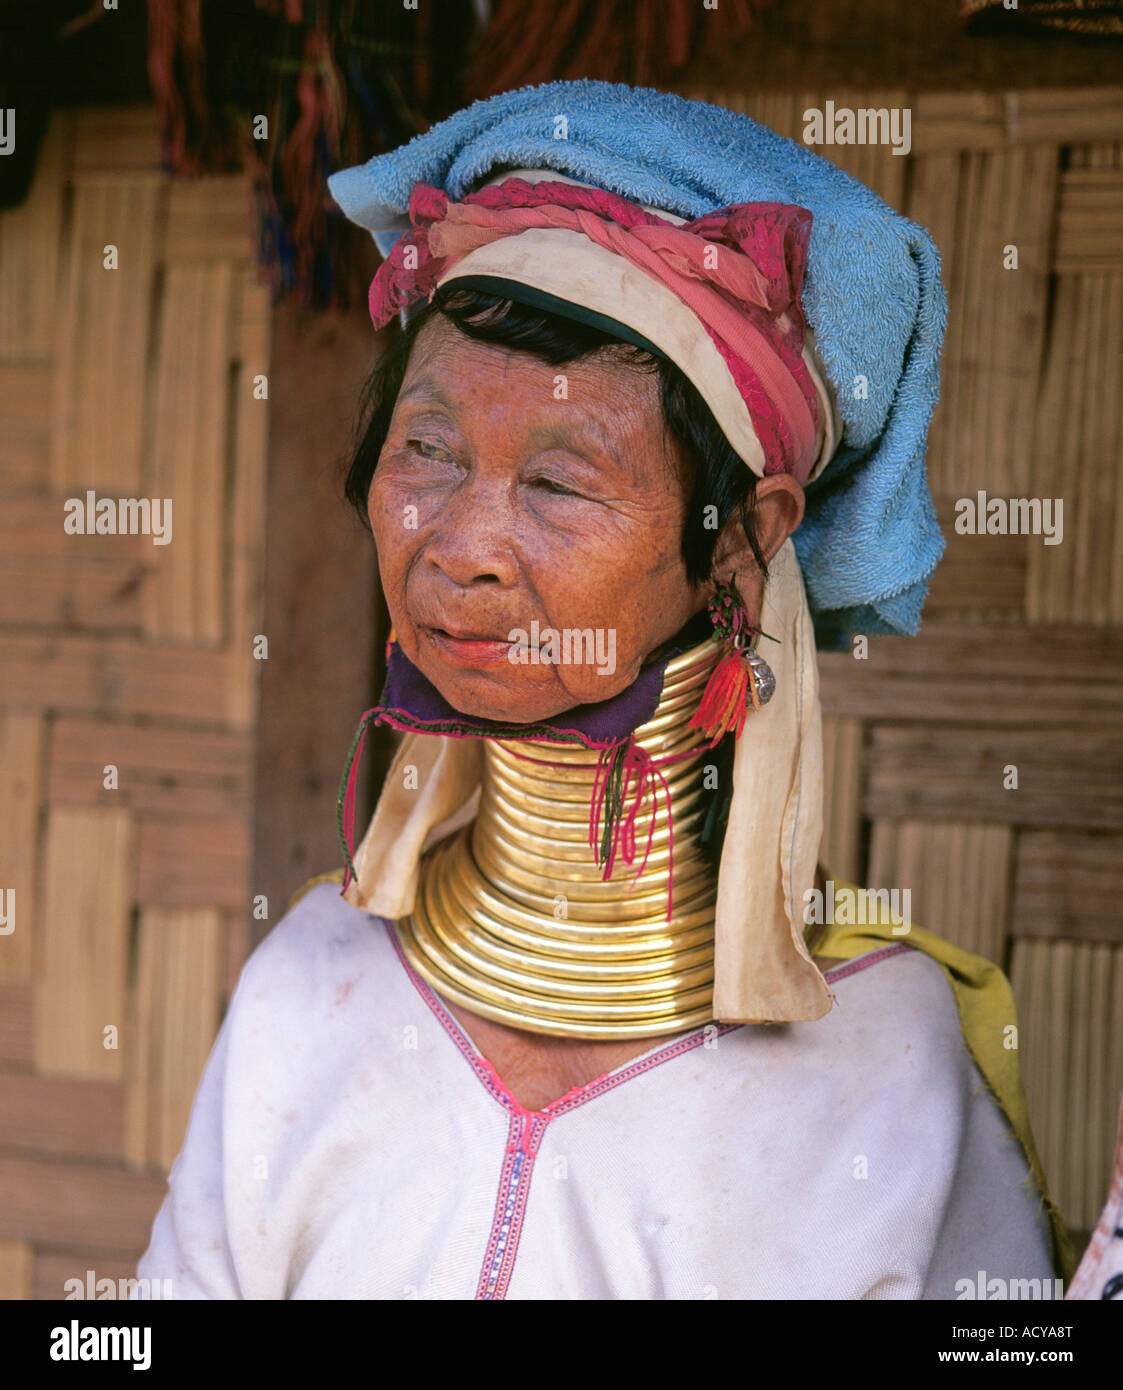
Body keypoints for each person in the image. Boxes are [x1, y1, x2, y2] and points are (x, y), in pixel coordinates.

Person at [135, 80, 1072, 1300]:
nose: (459, 542)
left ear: (738, 540)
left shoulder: (886, 1060)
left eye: (559, 483)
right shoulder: (309, 984)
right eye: (425, 450)